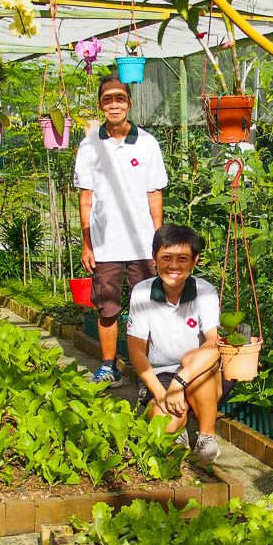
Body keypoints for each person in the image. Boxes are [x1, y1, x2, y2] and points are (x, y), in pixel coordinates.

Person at [73, 72, 167, 388]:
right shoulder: (88, 146)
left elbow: (155, 194)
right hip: (105, 244)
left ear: (129, 103)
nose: (114, 105)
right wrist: (88, 244)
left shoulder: (147, 143)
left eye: (119, 98)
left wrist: (159, 242)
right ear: (101, 105)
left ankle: (147, 372)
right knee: (107, 308)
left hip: (143, 245)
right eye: (107, 99)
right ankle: (108, 366)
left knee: (147, 310)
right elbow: (85, 197)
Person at [126, 224, 222, 463]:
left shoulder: (205, 292)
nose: (174, 266)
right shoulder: (141, 293)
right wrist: (161, 393)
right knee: (167, 425)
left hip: (199, 375)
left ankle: (207, 436)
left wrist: (180, 382)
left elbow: (214, 344)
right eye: (166, 257)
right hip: (161, 377)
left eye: (183, 258)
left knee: (193, 356)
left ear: (194, 260)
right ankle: (179, 422)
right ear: (154, 259)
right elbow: (137, 352)